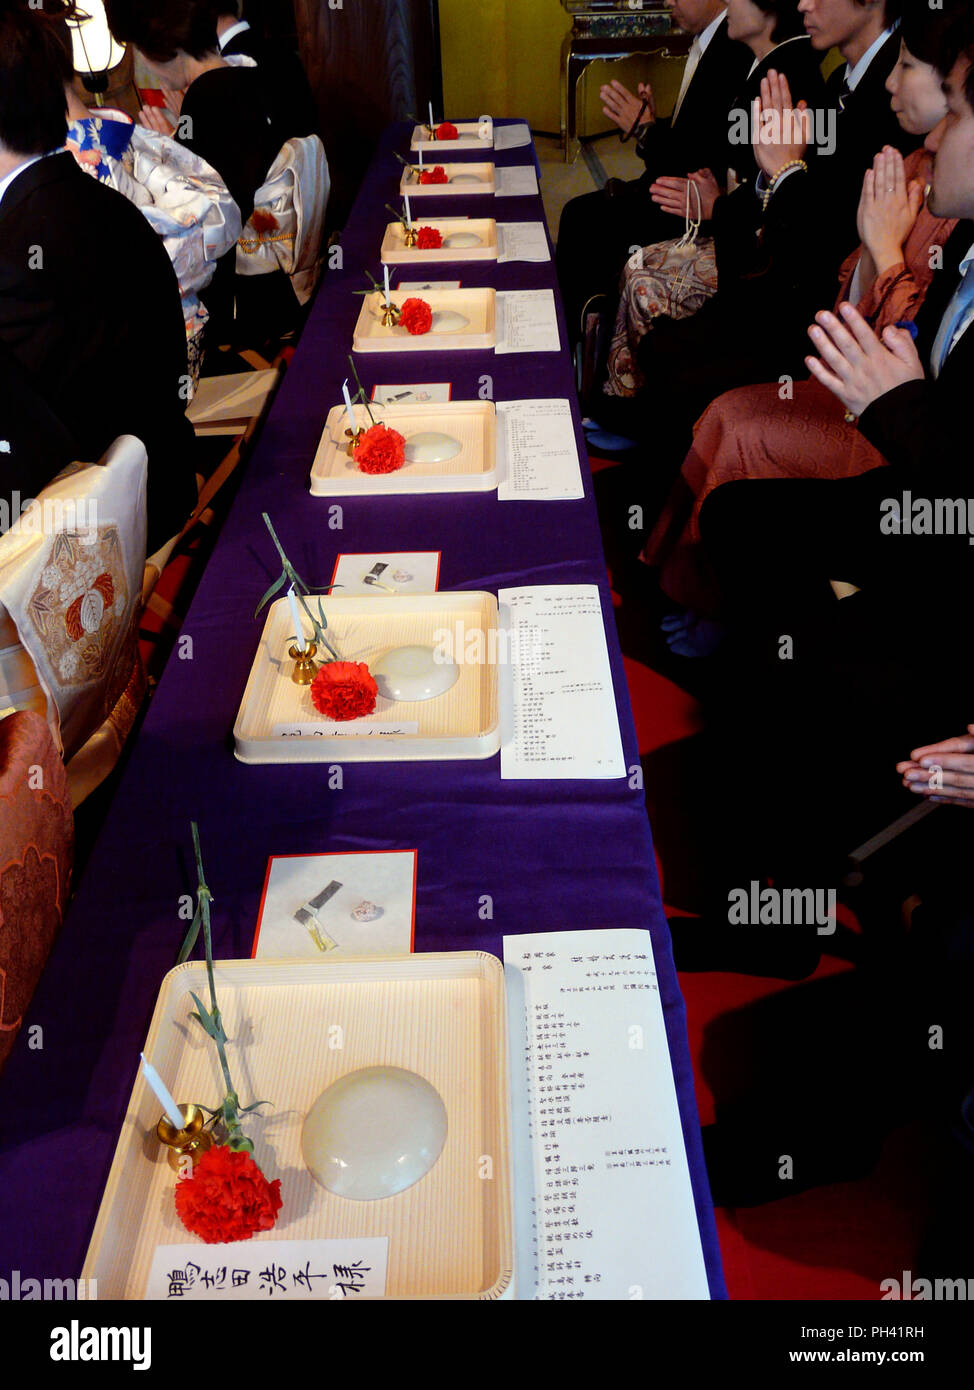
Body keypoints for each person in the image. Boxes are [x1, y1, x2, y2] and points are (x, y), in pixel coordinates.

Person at [643, 0, 963, 623]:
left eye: (911, 68)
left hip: (883, 414)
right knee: (691, 376)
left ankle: (716, 604)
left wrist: (790, 179)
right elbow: (844, 280)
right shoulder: (896, 144)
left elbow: (841, 281)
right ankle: (689, 585)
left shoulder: (933, 178)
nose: (804, 3)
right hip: (836, 342)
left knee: (723, 410)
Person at [594, 0, 913, 463]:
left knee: (664, 330)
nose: (804, 2)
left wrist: (772, 179)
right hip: (773, 263)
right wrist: (762, 183)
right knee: (654, 323)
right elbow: (762, 184)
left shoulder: (866, 90)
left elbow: (823, 233)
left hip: (810, 302)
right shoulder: (837, 81)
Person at [0, 7, 197, 553]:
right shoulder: (106, 204)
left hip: (98, 536)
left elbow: (24, 445)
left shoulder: (17, 254)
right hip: (158, 480)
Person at [603, 0, 826, 398]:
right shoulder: (765, 65)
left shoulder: (785, 74)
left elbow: (778, 194)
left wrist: (717, 206)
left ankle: (626, 400)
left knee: (634, 264)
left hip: (751, 256)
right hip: (729, 225)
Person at [104, 0, 303, 347]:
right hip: (284, 283)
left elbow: (208, 222)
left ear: (165, 49)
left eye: (140, 51)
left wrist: (167, 154)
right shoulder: (250, 72)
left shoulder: (208, 100)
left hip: (245, 301)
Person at [555, 0, 753, 346]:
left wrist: (648, 132)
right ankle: (580, 343)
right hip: (675, 191)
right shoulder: (713, 40)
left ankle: (585, 347)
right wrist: (654, 126)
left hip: (691, 213)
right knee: (578, 215)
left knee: (583, 222)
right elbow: (692, 140)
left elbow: (700, 165)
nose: (668, 2)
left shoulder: (733, 48)